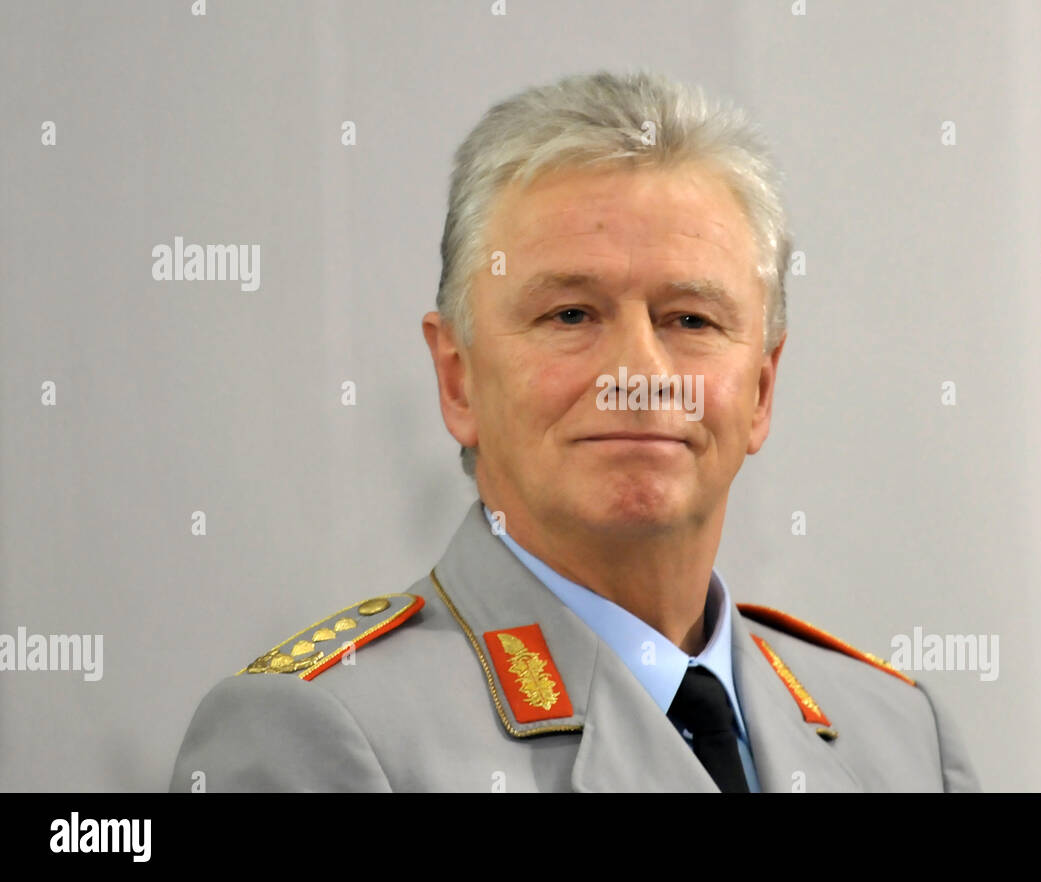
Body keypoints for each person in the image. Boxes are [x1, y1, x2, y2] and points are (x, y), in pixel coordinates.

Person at [168, 69, 981, 793]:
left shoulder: (902, 736)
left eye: (691, 318)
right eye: (570, 314)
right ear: (458, 379)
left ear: (762, 388)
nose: (637, 372)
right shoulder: (320, 733)